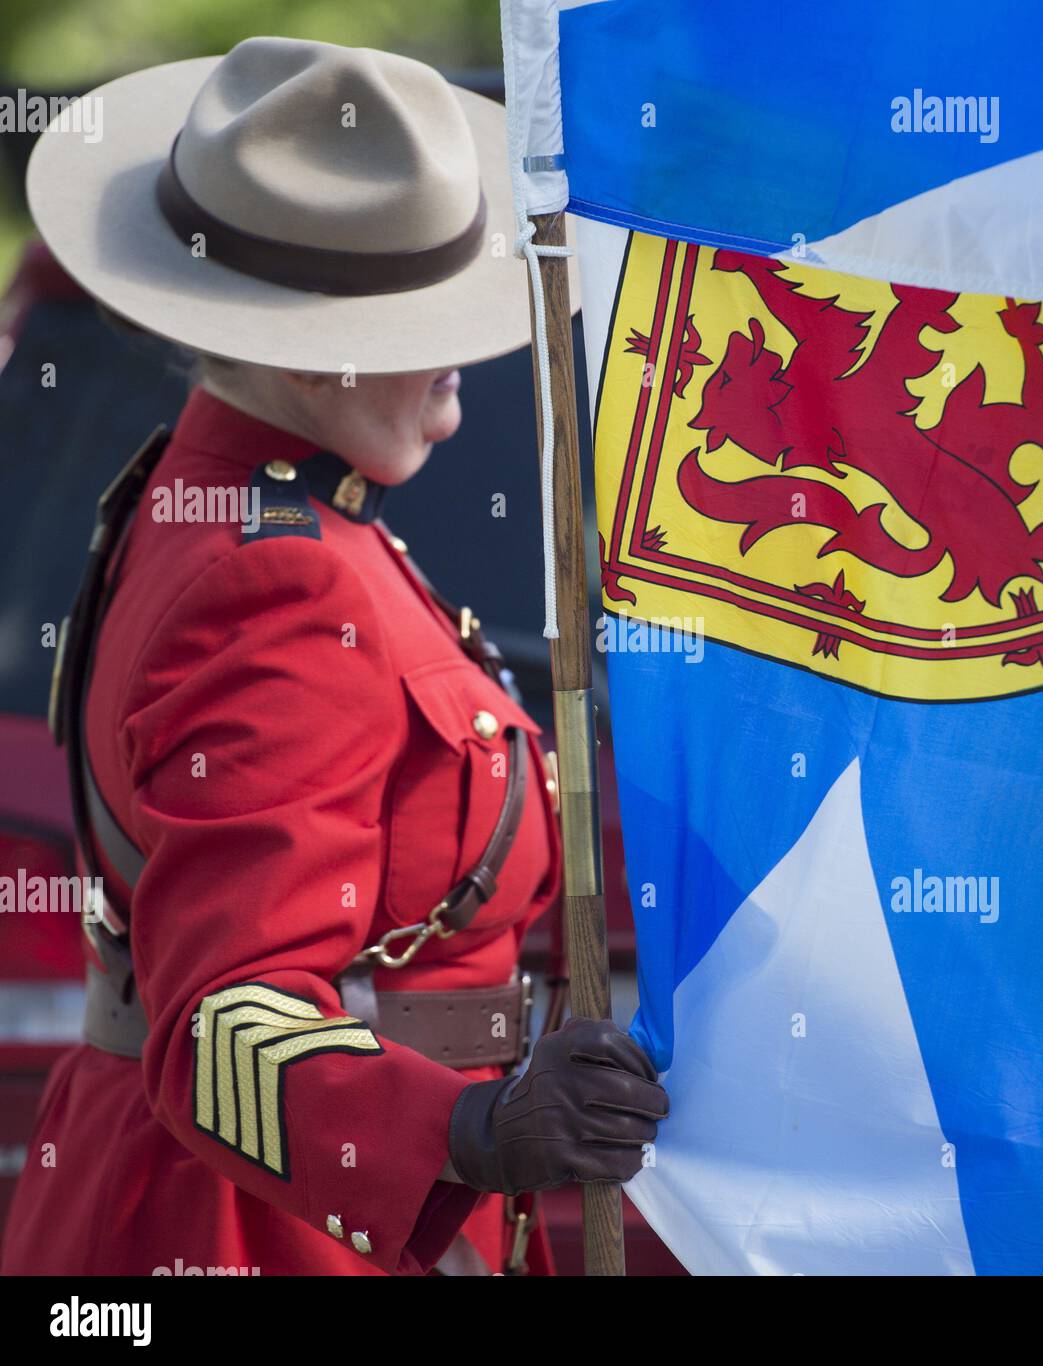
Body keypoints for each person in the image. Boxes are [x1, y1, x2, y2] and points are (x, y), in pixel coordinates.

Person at [1, 35, 666, 1278]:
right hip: (250, 1234)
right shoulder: (278, 573)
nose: (462, 357)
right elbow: (223, 1022)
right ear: (303, 350)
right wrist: (472, 1126)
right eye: (420, 319)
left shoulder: (239, 497)